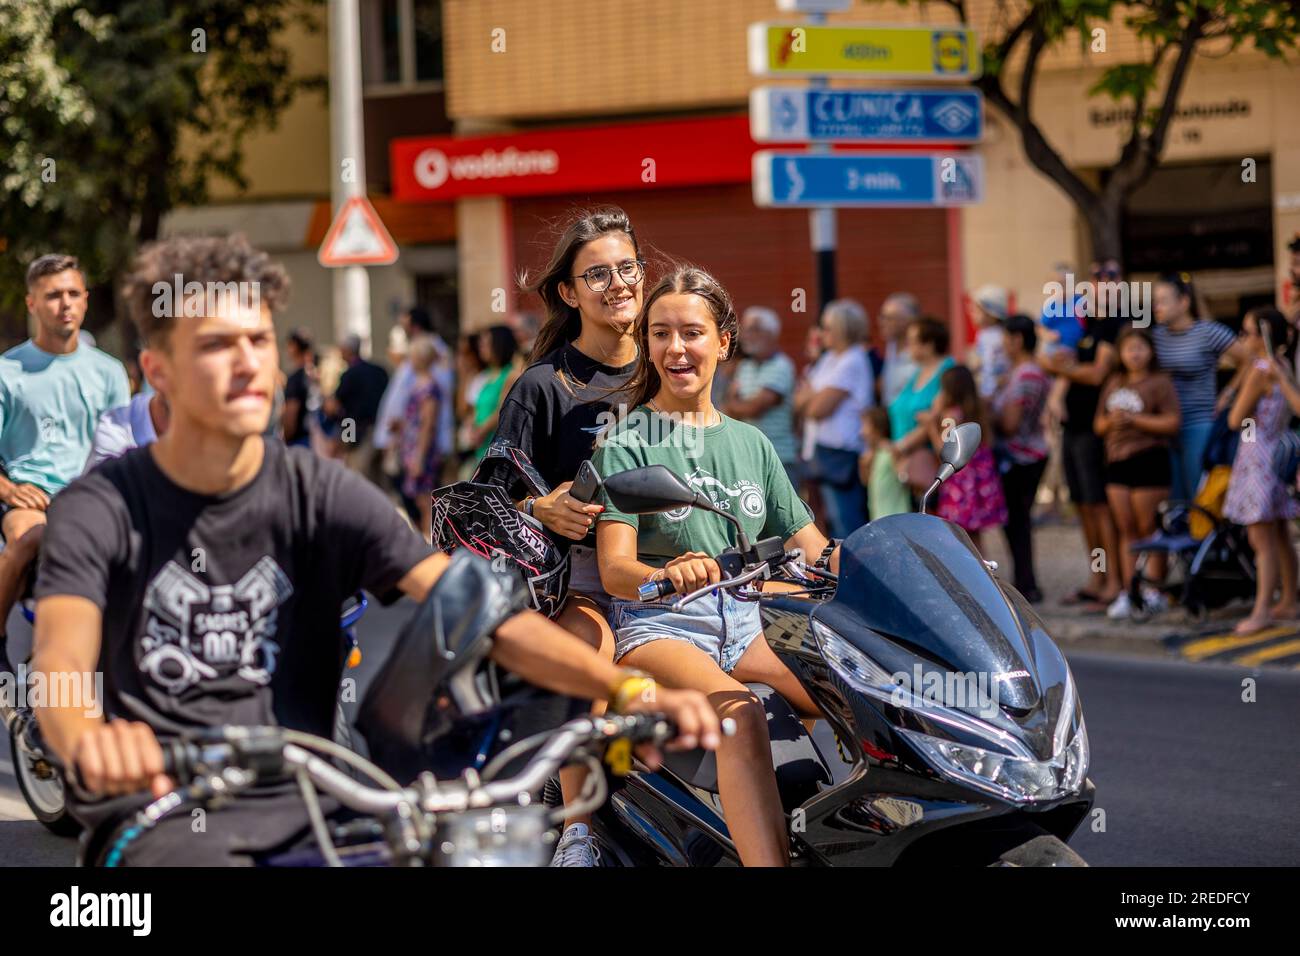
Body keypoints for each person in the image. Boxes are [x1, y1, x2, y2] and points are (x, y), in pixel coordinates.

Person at [28, 234, 719, 867]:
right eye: (216, 344)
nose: (248, 363)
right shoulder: (103, 507)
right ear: (159, 370)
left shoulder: (320, 493)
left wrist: (622, 688)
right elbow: (59, 662)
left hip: (315, 811)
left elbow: (483, 616)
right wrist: (87, 741)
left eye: (260, 340)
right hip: (162, 815)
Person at [593, 264, 836, 867]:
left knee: (847, 688)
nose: (676, 348)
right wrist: (666, 574)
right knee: (741, 714)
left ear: (723, 341)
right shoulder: (628, 442)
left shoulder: (751, 444)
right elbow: (615, 569)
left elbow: (814, 547)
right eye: (660, 333)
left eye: (692, 333)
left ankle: (777, 818)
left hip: (748, 617)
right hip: (664, 624)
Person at [490, 206, 644, 866]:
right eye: (599, 273)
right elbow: (488, 496)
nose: (618, 284)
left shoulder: (670, 365)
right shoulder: (541, 387)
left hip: (673, 572)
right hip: (577, 577)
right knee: (590, 653)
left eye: (628, 268)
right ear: (568, 292)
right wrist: (540, 504)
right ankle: (579, 829)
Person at [0, 254, 130, 670]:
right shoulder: (7, 371)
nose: (65, 303)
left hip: (91, 499)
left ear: (87, 300)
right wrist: (10, 490)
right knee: (26, 541)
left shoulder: (109, 373)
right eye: (53, 295)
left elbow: (122, 449)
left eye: (74, 293)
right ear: (32, 303)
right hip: (29, 502)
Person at [1041, 287, 1123, 609]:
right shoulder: (1084, 333)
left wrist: (1058, 368)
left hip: (1093, 432)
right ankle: (1098, 576)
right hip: (1073, 429)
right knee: (1084, 507)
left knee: (1100, 507)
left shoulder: (1111, 329)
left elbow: (1096, 374)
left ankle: (1114, 581)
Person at [1093, 326, 1180, 620]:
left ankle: (1154, 589)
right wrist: (1113, 422)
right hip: (1116, 461)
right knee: (1125, 528)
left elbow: (1171, 423)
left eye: (1140, 347)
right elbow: (1099, 425)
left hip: (1149, 458)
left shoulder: (1160, 383)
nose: (1135, 354)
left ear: (1151, 351)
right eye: (1129, 348)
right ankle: (1129, 590)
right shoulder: (1114, 382)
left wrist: (1136, 420)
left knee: (1149, 528)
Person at [1223, 307, 1299, 634]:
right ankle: (1289, 601)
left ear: (1263, 335)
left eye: (1248, 332)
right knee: (1280, 533)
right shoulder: (1282, 365)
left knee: (1261, 539)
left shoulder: (1260, 370)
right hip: (1279, 452)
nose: (1243, 338)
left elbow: (1234, 418)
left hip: (1256, 455)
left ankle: (1262, 609)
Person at [1152, 273, 1249, 502]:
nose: (1157, 307)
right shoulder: (1155, 337)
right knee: (1174, 499)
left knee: (1200, 494)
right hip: (1163, 427)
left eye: (1163, 300)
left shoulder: (1208, 332)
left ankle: (1203, 538)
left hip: (1199, 422)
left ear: (1184, 302)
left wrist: (1228, 393)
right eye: (1154, 301)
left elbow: (1250, 361)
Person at [794, 299, 874, 538]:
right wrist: (813, 398)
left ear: (843, 329)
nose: (821, 333)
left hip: (842, 454)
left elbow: (817, 409)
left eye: (828, 327)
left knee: (846, 523)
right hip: (821, 452)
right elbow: (799, 402)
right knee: (826, 521)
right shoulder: (829, 359)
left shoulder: (853, 360)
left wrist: (812, 397)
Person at [991, 315, 1052, 602]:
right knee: (1014, 522)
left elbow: (1011, 423)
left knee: (1018, 522)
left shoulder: (1027, 374)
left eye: (1005, 338)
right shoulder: (1016, 371)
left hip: (1024, 457)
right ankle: (1023, 582)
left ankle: (1026, 584)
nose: (1002, 344)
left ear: (1017, 339)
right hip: (1017, 456)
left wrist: (984, 411)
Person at [925, 366, 1007, 552]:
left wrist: (931, 426)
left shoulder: (951, 416)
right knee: (975, 535)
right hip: (979, 479)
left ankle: (972, 575)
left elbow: (945, 451)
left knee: (961, 536)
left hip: (961, 483)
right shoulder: (977, 410)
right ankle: (984, 572)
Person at [722, 306, 800, 489]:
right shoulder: (744, 366)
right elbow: (730, 412)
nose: (746, 335)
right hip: (750, 457)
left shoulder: (782, 366)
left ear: (771, 334)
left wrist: (736, 403)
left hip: (780, 457)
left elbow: (754, 409)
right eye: (746, 329)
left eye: (754, 329)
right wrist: (737, 404)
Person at [889, 316, 956, 496]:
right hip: (904, 459)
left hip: (927, 461)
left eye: (912, 341)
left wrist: (902, 446)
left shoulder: (947, 372)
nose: (907, 346)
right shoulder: (918, 372)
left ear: (929, 344)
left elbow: (935, 416)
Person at [398, 336, 445, 542]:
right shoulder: (421, 383)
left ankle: (429, 540)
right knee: (419, 498)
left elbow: (427, 423)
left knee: (425, 499)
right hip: (413, 447)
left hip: (422, 449)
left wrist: (419, 455)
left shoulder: (429, 386)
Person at [465, 325, 520, 466]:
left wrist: (480, 432)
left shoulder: (510, 374)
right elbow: (476, 408)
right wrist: (471, 427)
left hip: (495, 446)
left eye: (486, 344)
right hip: (481, 445)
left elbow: (502, 409)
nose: (481, 348)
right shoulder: (487, 375)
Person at [859, 407, 910, 520]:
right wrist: (864, 465)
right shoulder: (873, 455)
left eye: (865, 426)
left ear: (878, 428)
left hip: (896, 519)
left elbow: (904, 478)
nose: (861, 432)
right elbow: (865, 481)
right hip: (879, 519)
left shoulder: (890, 452)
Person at [877, 292, 920, 407]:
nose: (882, 323)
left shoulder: (920, 353)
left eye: (889, 318)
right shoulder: (892, 346)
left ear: (909, 321)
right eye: (882, 317)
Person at [968, 284, 1011, 399]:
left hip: (1000, 394)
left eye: (976, 310)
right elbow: (981, 361)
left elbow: (1003, 366)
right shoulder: (982, 335)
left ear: (991, 313)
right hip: (986, 392)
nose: (971, 314)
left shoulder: (1002, 336)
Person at [280, 328, 316, 448]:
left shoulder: (296, 379)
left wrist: (284, 439)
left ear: (294, 346)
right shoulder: (316, 375)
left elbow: (291, 415)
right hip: (319, 442)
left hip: (300, 443)